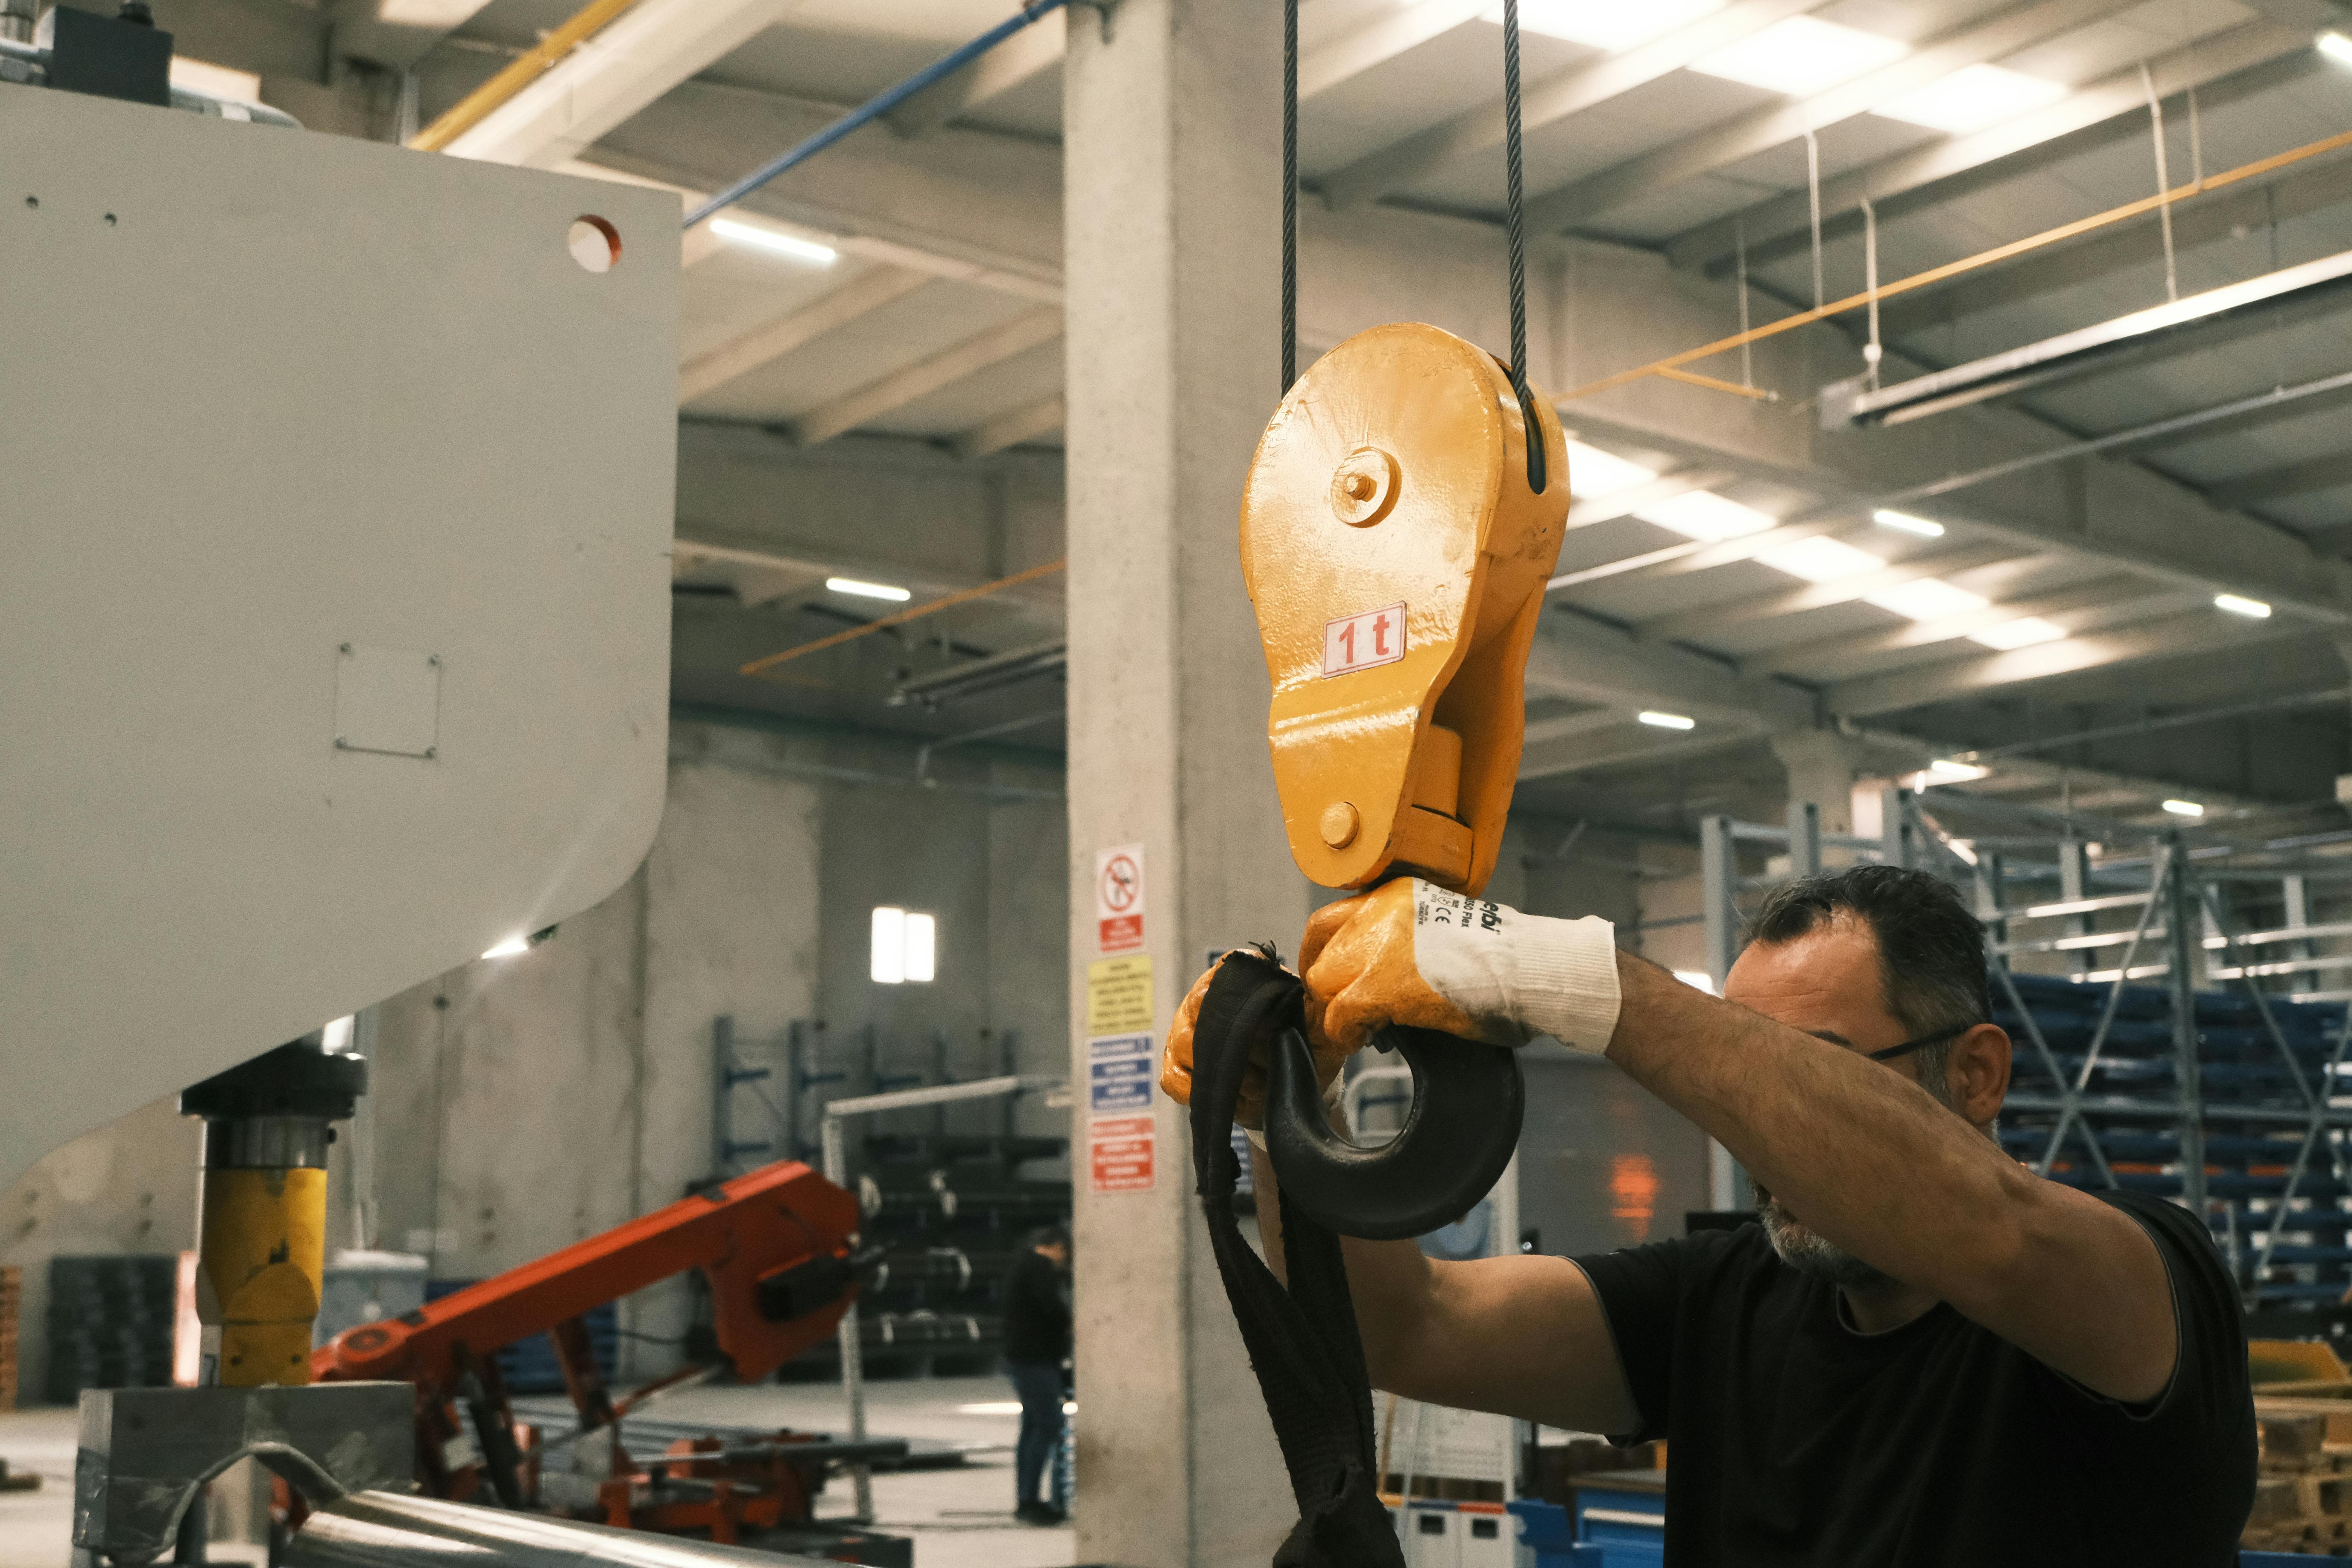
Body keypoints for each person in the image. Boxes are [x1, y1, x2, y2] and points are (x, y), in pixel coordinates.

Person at [1162, 865, 2255, 1566]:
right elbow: (1409, 1326)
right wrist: (1286, 1108)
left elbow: (1994, 1229)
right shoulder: (1727, 1298)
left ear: (1974, 1075)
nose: (1760, 1133)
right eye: (1747, 1080)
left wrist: (1570, 978)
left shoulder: (2130, 1288)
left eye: (1808, 1076)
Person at [1003, 1223, 1071, 1526]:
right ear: (1057, 1247)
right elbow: (1052, 1308)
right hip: (1036, 1360)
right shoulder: (1039, 1267)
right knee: (1050, 1426)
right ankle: (1037, 1503)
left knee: (1032, 1429)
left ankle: (1026, 1499)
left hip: (1023, 1358)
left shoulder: (1022, 1265)